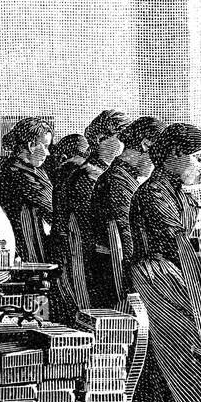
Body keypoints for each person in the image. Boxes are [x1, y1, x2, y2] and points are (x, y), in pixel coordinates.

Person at [128, 123, 201, 402]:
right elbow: (175, 242)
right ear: (173, 156)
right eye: (198, 159)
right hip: (155, 276)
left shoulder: (178, 191)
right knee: (195, 338)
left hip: (173, 271)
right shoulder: (154, 194)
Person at [53, 109, 129, 306]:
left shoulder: (102, 173)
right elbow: (97, 228)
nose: (126, 145)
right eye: (122, 137)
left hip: (98, 256)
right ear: (101, 139)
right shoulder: (88, 175)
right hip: (89, 262)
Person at [89, 115, 165, 299]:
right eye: (160, 156)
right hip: (119, 282)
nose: (159, 165)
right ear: (146, 145)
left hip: (117, 271)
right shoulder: (118, 183)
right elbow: (128, 245)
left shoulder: (120, 177)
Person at [0, 117, 55, 262]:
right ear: (31, 145)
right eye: (46, 146)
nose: (48, 153)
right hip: (24, 251)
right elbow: (51, 208)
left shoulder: (31, 170)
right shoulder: (17, 174)